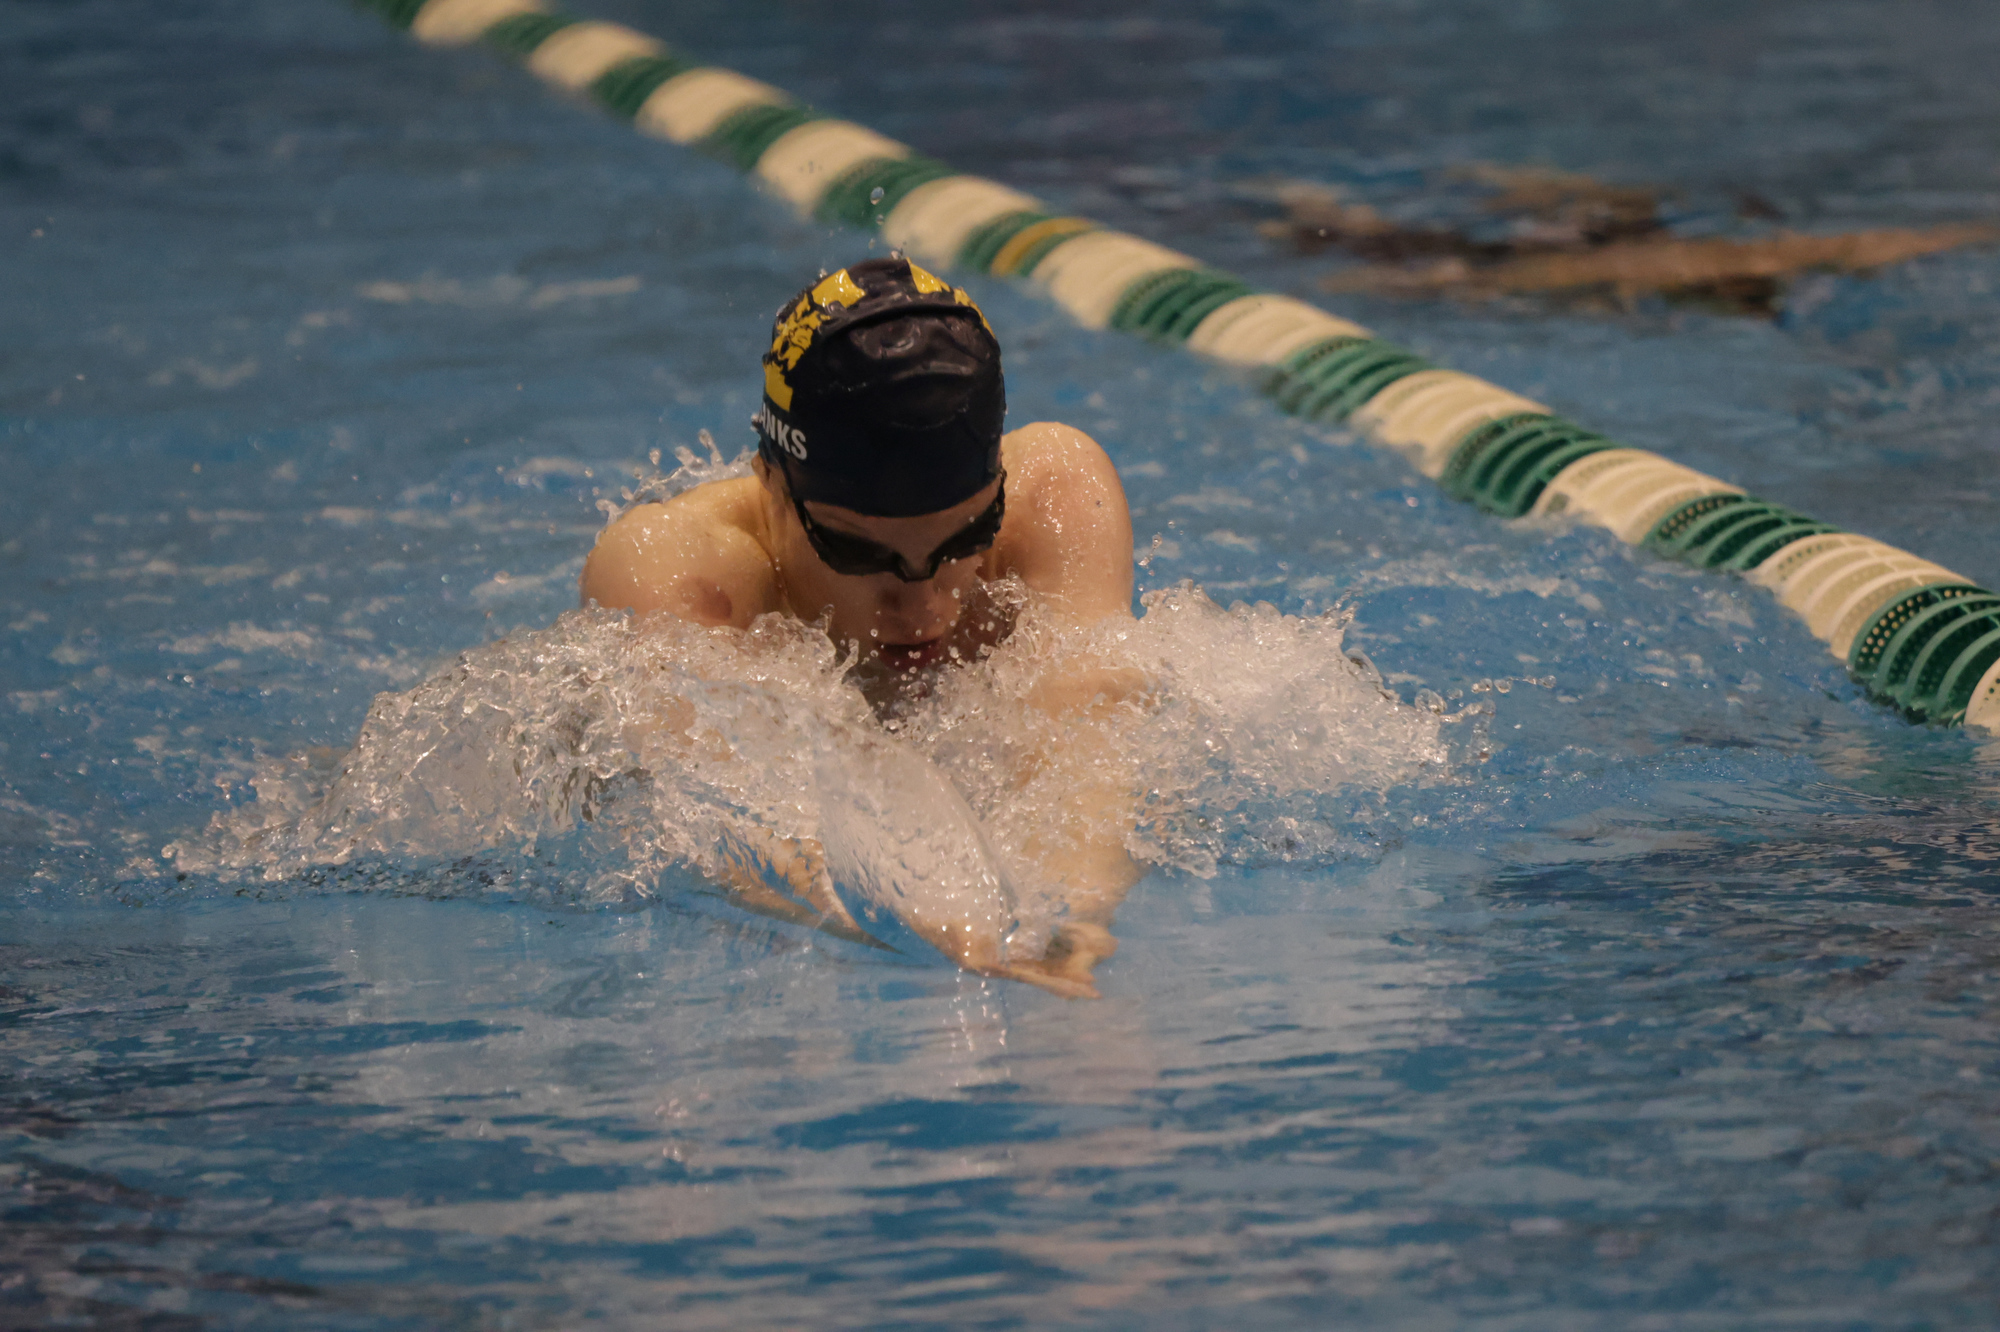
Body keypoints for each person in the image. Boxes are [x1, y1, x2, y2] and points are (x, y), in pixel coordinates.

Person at [581, 256, 1143, 996]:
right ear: (769, 483)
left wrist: (1070, 920)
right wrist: (925, 923)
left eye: (965, 539)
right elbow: (723, 819)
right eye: (861, 553)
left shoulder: (1056, 495)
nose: (925, 606)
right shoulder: (678, 569)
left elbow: (1088, 742)